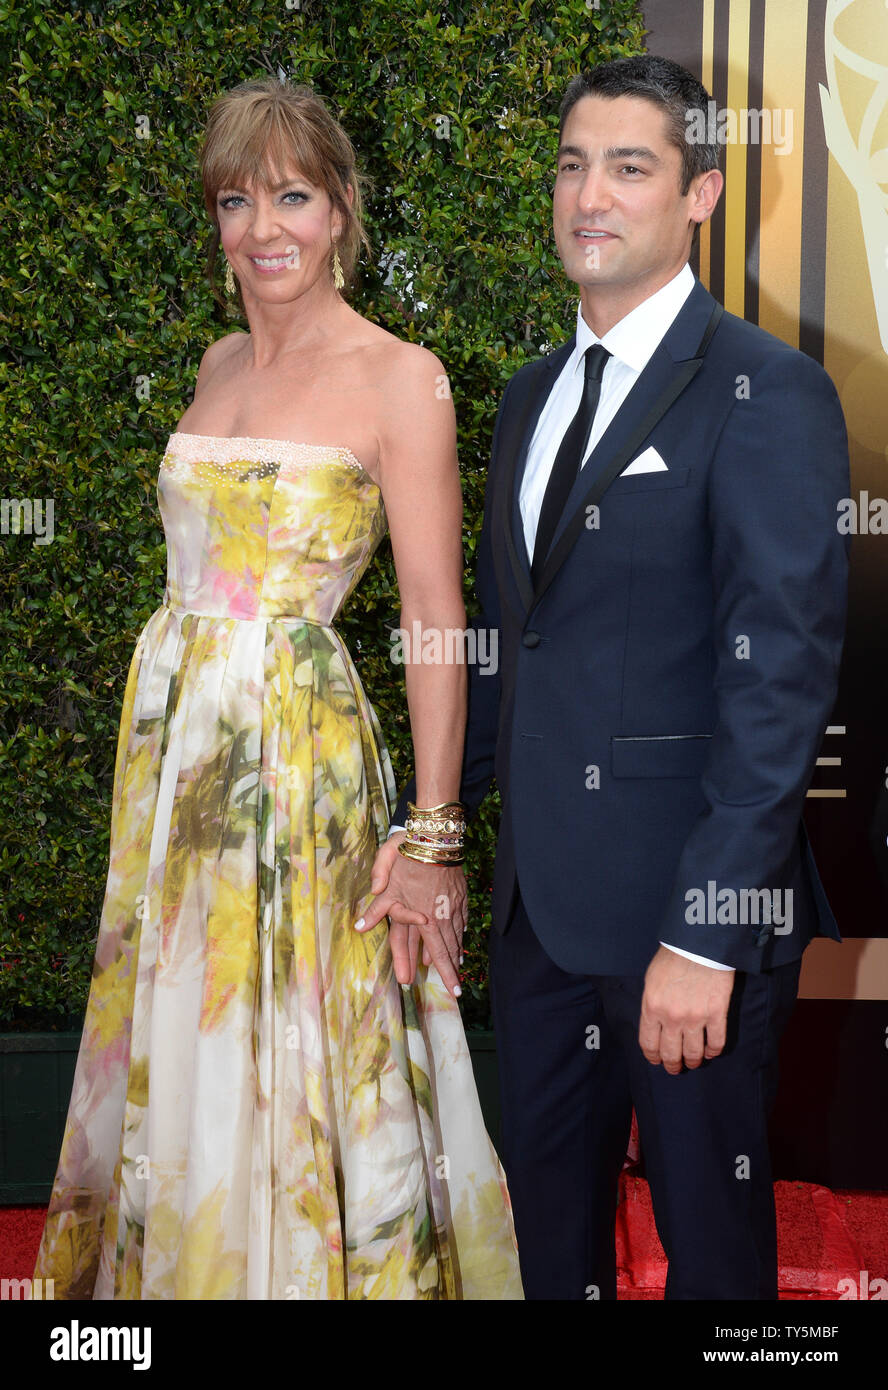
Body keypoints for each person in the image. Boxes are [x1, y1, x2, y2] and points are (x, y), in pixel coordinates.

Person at [362, 55, 850, 1300]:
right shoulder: (529, 400)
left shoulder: (767, 391)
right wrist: (442, 837)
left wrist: (704, 931)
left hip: (687, 928)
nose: (592, 195)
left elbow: (779, 680)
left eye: (630, 166)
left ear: (699, 193)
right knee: (551, 1258)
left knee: (713, 1266)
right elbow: (514, 645)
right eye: (574, 164)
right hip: (539, 927)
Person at [32, 77, 522, 1301]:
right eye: (237, 199)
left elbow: (432, 617)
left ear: (343, 211)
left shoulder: (401, 378)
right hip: (176, 767)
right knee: (188, 1024)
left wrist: (436, 833)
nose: (265, 227)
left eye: (293, 194)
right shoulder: (214, 362)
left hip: (301, 771)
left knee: (306, 1028)